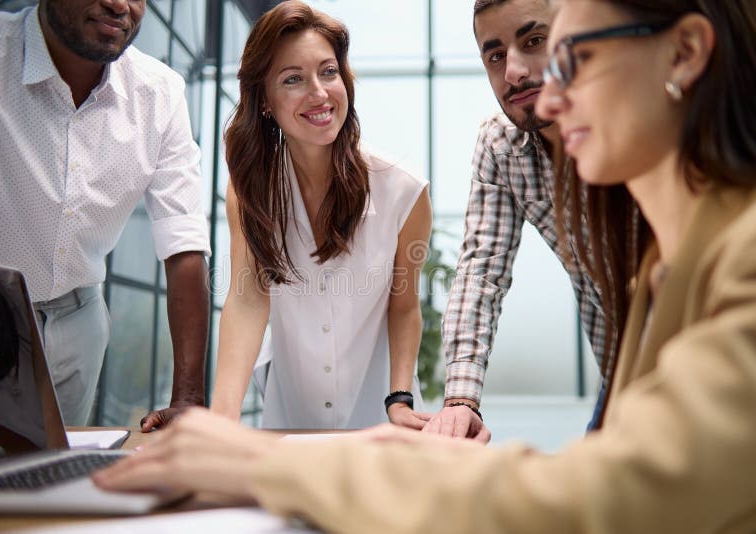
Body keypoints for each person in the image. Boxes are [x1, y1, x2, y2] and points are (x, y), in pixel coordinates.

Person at [95, 0, 756, 531]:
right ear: (265, 100)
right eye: (497, 54)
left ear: (686, 51)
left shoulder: (741, 263)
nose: (541, 98)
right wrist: (232, 425)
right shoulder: (668, 270)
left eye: (572, 58)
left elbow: (598, 501)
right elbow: (479, 274)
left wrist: (281, 463)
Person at [0, 0, 211, 427]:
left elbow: (183, 242)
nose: (118, 4)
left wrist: (188, 397)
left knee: (52, 479)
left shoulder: (160, 93)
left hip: (80, 320)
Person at [209, 1, 433, 430]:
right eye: (293, 79)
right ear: (264, 102)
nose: (318, 93)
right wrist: (222, 418)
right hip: (289, 419)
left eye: (328, 72)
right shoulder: (249, 191)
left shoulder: (403, 190)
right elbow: (247, 297)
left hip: (383, 422)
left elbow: (403, 307)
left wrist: (400, 398)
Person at [424, 0, 607, 442]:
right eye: (495, 55)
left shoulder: (633, 121)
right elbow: (480, 274)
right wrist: (460, 401)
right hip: (622, 364)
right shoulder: (500, 145)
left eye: (534, 41)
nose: (513, 72)